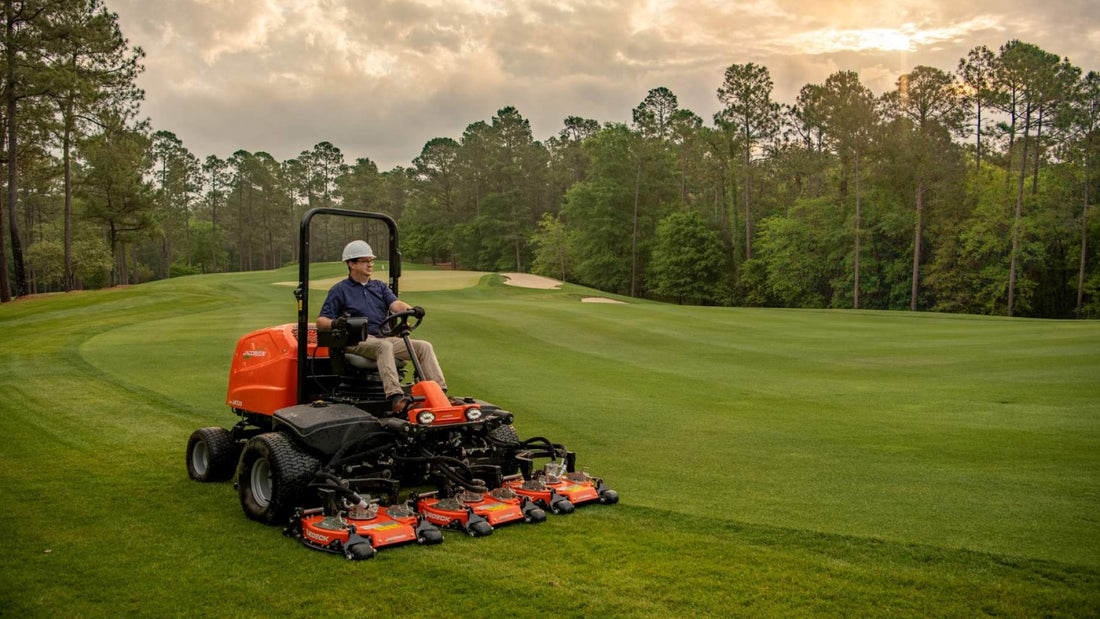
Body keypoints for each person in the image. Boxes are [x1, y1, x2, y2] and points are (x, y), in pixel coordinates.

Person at [317, 240, 448, 413]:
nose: (370, 264)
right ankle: (396, 397)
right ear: (351, 264)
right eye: (365, 261)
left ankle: (440, 394)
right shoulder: (340, 290)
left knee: (423, 346)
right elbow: (321, 321)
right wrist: (335, 323)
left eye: (371, 261)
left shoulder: (379, 287)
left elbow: (395, 305)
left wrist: (411, 310)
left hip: (382, 337)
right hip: (356, 341)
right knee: (384, 346)